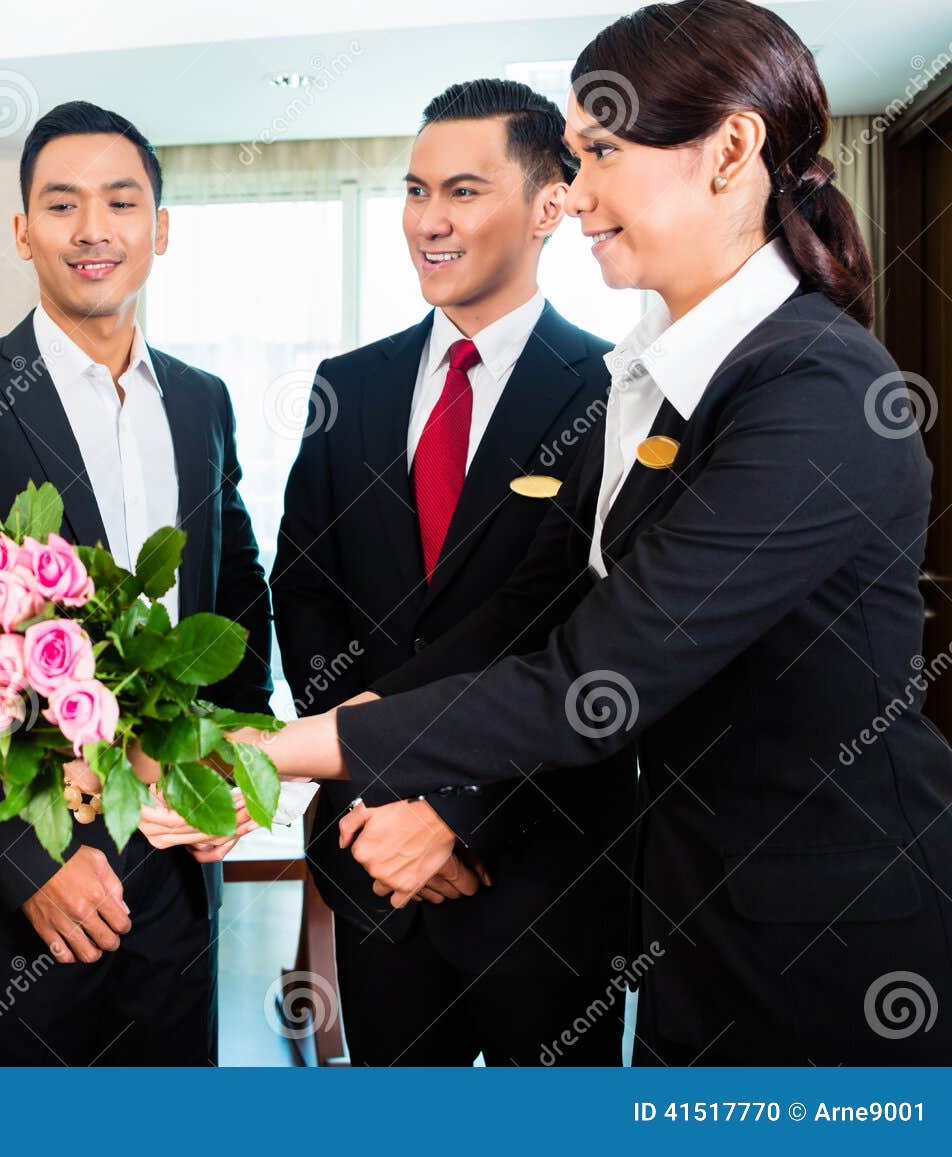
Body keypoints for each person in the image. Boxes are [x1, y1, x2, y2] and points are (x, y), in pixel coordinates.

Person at [253, 0, 952, 1065]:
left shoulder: (811, 385)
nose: (572, 193)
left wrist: (288, 753)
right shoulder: (659, 378)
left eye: (601, 153)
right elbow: (523, 613)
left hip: (829, 938)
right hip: (691, 906)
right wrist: (315, 734)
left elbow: (596, 671)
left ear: (729, 151)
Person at [272, 78, 630, 1066]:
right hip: (375, 861)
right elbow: (300, 595)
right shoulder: (348, 385)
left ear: (550, 204)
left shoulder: (620, 394)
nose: (428, 221)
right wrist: (379, 790)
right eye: (415, 189)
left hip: (541, 868)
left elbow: (598, 642)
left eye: (463, 192)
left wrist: (457, 813)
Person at [0, 101, 272, 1066]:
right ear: (23, 229)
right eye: (63, 203)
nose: (94, 230)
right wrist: (25, 865)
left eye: (122, 203)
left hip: (175, 850)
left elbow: (234, 595)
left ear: (159, 229)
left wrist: (241, 761)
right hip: (34, 865)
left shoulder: (205, 399)